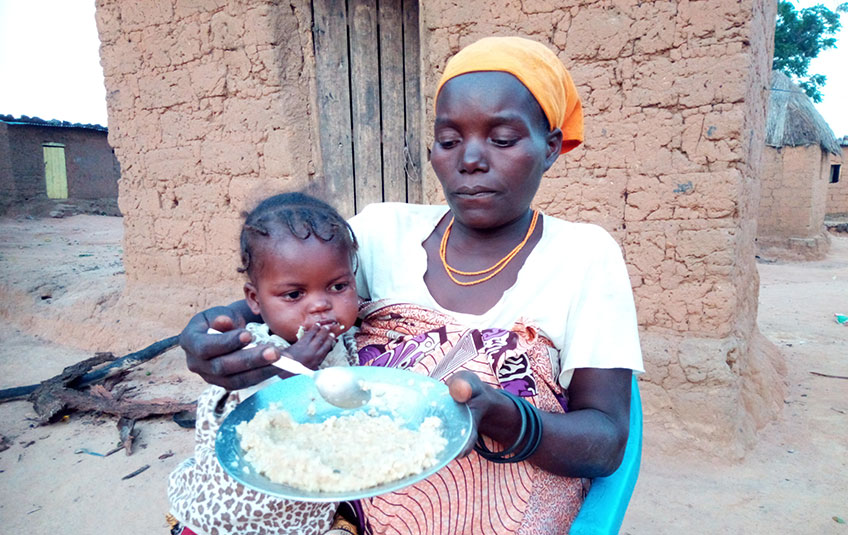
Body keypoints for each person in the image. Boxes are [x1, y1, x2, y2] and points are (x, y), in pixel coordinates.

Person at [179, 36, 644, 534]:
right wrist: (210, 333)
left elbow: (606, 441)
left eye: (503, 139)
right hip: (341, 505)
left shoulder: (584, 256)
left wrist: (506, 418)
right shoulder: (382, 231)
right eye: (449, 140)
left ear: (549, 147)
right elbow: (287, 290)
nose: (470, 159)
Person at [168, 192, 361, 535]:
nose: (320, 306)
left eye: (338, 286)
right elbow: (244, 417)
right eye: (294, 294)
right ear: (254, 300)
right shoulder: (253, 350)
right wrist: (292, 366)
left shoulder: (350, 342)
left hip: (302, 505)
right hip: (237, 503)